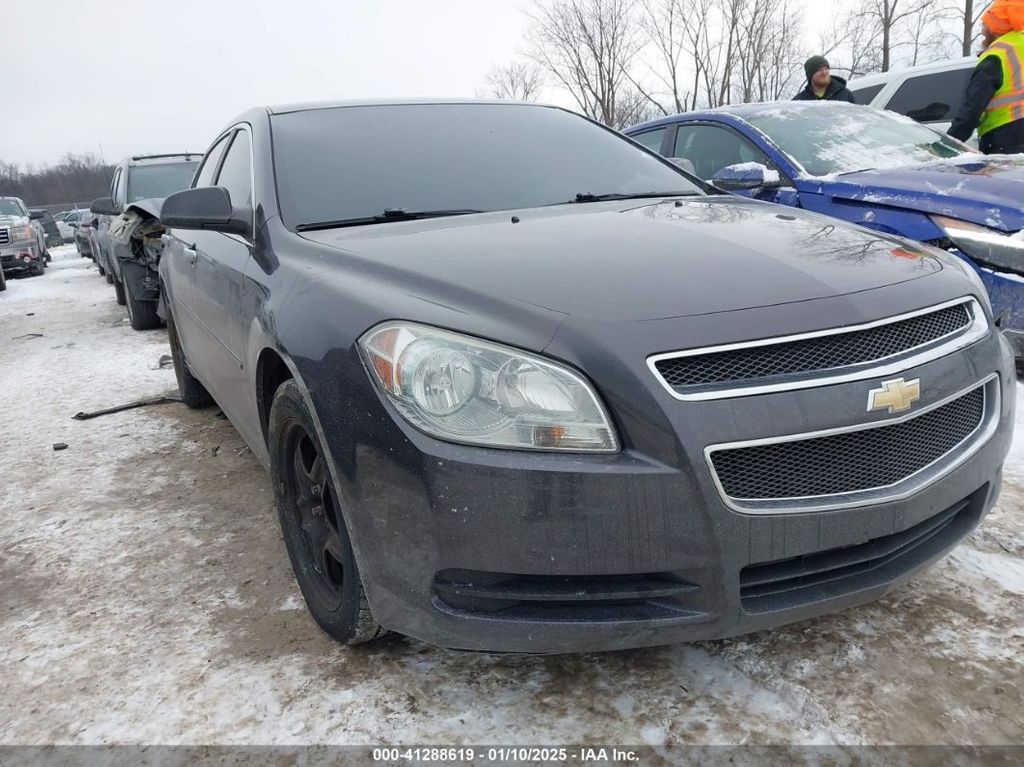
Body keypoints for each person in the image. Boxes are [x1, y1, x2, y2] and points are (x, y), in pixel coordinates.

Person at [948, 0, 1024, 154]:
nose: (983, 31)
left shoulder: (997, 54)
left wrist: (946, 146)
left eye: (985, 25)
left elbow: (970, 112)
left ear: (995, 28)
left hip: (1007, 141)